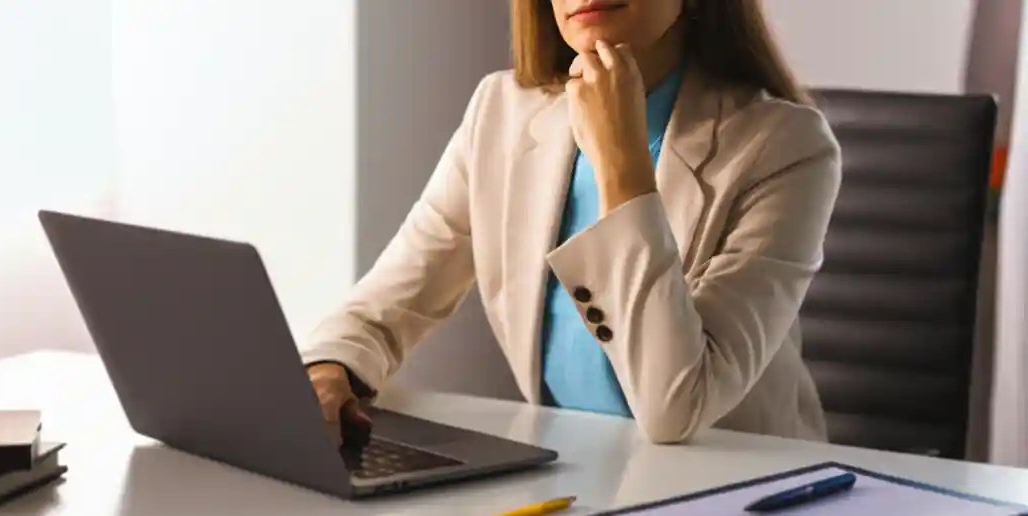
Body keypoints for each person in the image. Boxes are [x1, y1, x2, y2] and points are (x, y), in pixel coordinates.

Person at [303, 0, 841, 445]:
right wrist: (329, 370)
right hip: (568, 484)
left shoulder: (786, 148)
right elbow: (387, 305)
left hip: (738, 500)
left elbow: (677, 406)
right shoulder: (501, 111)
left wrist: (621, 163)